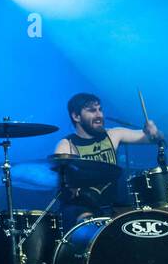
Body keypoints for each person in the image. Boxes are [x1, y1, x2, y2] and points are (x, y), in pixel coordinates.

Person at [53, 92, 162, 222]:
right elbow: (63, 190)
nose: (99, 115)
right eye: (92, 111)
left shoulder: (113, 135)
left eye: (100, 109)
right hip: (84, 210)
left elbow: (154, 139)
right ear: (76, 116)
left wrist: (154, 132)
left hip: (115, 208)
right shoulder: (66, 145)